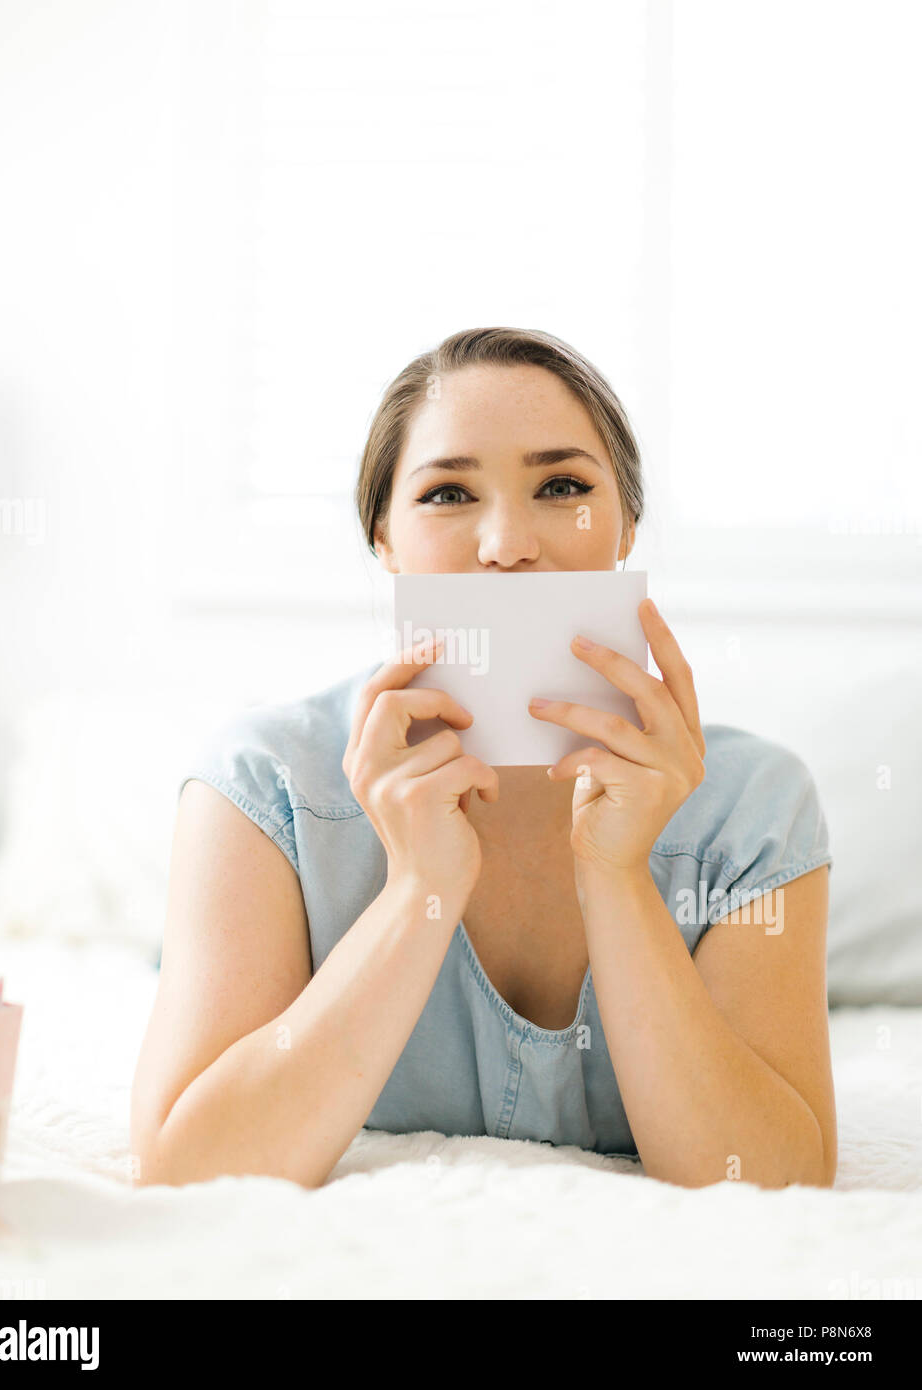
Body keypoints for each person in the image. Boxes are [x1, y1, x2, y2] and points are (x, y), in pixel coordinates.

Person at [130, 326, 837, 1192]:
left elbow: (771, 1183)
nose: (507, 543)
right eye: (448, 494)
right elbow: (187, 1169)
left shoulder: (755, 810)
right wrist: (419, 890)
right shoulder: (262, 787)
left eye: (563, 486)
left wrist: (616, 876)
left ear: (626, 530)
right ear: (383, 540)